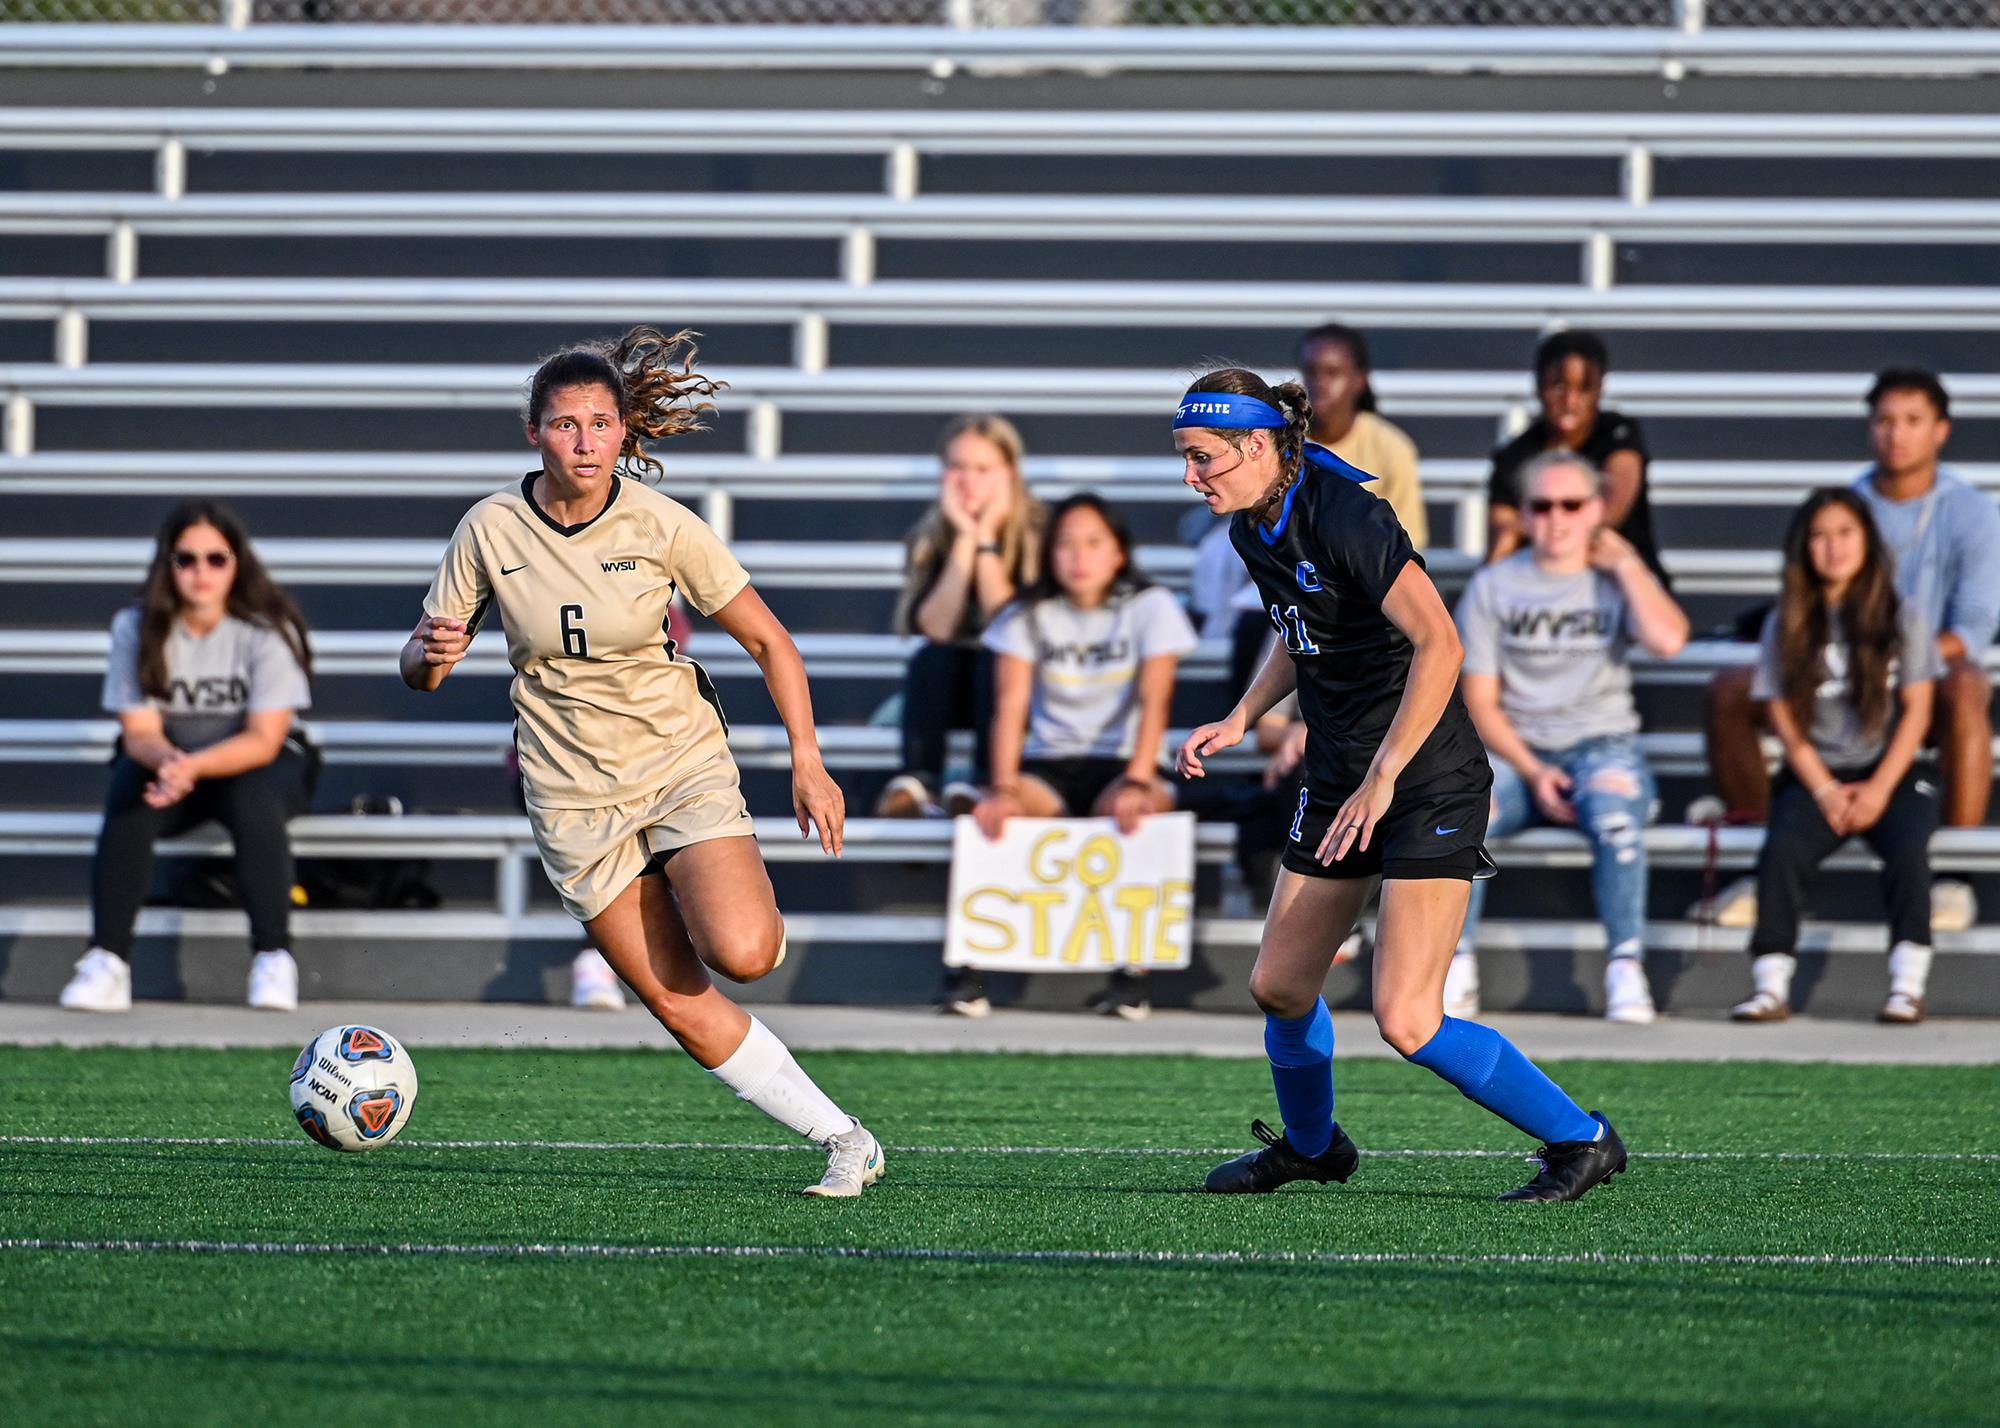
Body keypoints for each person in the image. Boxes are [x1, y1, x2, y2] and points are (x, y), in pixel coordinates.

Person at [402, 325, 882, 1197]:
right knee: (672, 998)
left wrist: (807, 761)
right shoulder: (489, 528)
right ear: (533, 433)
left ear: (625, 432)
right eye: (563, 424)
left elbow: (773, 644)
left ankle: (693, 875)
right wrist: (428, 649)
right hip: (570, 793)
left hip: (675, 761)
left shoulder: (664, 525)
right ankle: (845, 1138)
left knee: (741, 952)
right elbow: (424, 672)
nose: (583, 441)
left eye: (598, 423)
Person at [1173, 368, 1626, 1204]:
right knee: (1279, 986)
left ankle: (1583, 1139)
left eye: (1203, 459)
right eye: (1186, 459)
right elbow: (1298, 630)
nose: (1191, 477)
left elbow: (1441, 644)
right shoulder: (1250, 525)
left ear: (1259, 445)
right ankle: (1314, 1148)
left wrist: (1383, 779)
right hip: (1345, 774)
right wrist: (1242, 716)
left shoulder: (1349, 514)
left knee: (1408, 1019)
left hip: (1423, 780)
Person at [1703, 367, 1999, 934]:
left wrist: (1893, 659)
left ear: (1941, 430)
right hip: (1835, 670)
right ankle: (1767, 862)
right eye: (1885, 420)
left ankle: (1954, 875)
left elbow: (1977, 625)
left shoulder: (1973, 513)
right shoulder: (1846, 506)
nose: (1897, 434)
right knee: (1731, 687)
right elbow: (1803, 601)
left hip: (1918, 677)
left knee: (1965, 681)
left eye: (1912, 421)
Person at [1451, 452, 1690, 1025]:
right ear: (1525, 515)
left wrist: (1628, 564)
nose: (1557, 518)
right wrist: (1534, 771)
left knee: (1616, 820)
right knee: (1458, 815)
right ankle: (1453, 965)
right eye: (1543, 505)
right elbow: (1479, 701)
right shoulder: (1493, 586)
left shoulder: (1615, 580)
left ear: (1597, 510)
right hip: (1514, 754)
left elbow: (1669, 641)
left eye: (1572, 504)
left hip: (1602, 747)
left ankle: (1625, 967)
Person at [59, 502, 315, 1014]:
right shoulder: (136, 626)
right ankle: (108, 959)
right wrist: (173, 764)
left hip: (257, 764)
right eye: (186, 559)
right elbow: (139, 733)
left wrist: (189, 769)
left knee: (250, 794)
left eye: (215, 559)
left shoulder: (266, 629)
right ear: (167, 564)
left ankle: (272, 956)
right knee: (129, 790)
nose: (201, 572)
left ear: (237, 563)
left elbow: (264, 739)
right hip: (170, 763)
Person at [951, 494, 1198, 1020]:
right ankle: (967, 973)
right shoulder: (1027, 613)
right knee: (994, 818)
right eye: (1065, 544)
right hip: (1049, 761)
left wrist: (1135, 780)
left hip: (1126, 759)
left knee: (1135, 813)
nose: (1078, 557)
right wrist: (1001, 789)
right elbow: (1010, 707)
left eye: (1093, 543)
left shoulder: (1151, 606)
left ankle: (1131, 976)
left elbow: (1156, 701)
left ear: (1118, 553)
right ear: (1048, 554)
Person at [1730, 490, 1944, 1025]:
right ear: (1804, 546)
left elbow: (1918, 711)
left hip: (1890, 769)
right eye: (1820, 535)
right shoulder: (1788, 619)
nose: (1833, 547)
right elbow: (1782, 715)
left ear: (1867, 541)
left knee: (1909, 852)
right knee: (1781, 851)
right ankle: (1771, 984)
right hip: (1817, 772)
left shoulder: (1902, 614)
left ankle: (1906, 985)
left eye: (1845, 533)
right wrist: (1824, 788)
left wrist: (1876, 789)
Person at [877, 414, 1045, 819]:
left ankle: (986, 785)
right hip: (954, 688)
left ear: (1009, 474)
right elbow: (937, 629)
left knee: (996, 657)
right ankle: (920, 785)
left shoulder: (1042, 530)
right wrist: (966, 539)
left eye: (982, 469)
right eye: (957, 467)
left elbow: (1008, 626)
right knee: (932, 659)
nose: (967, 480)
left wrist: (985, 538)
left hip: (1028, 690)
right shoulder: (931, 536)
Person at [1485, 329, 1668, 589]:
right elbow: (1502, 533)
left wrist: (1537, 528)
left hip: (1619, 587)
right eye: (1558, 387)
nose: (1569, 401)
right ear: (1538, 386)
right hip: (1541, 590)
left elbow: (1613, 508)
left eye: (1584, 388)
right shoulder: (1514, 454)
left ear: (1600, 388)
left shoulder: (1619, 435)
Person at [1297, 321, 1427, 548]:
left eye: (1332, 372)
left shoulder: (1393, 449)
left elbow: (1409, 542)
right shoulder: (1281, 442)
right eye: (1311, 371)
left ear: (1359, 379)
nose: (1319, 383)